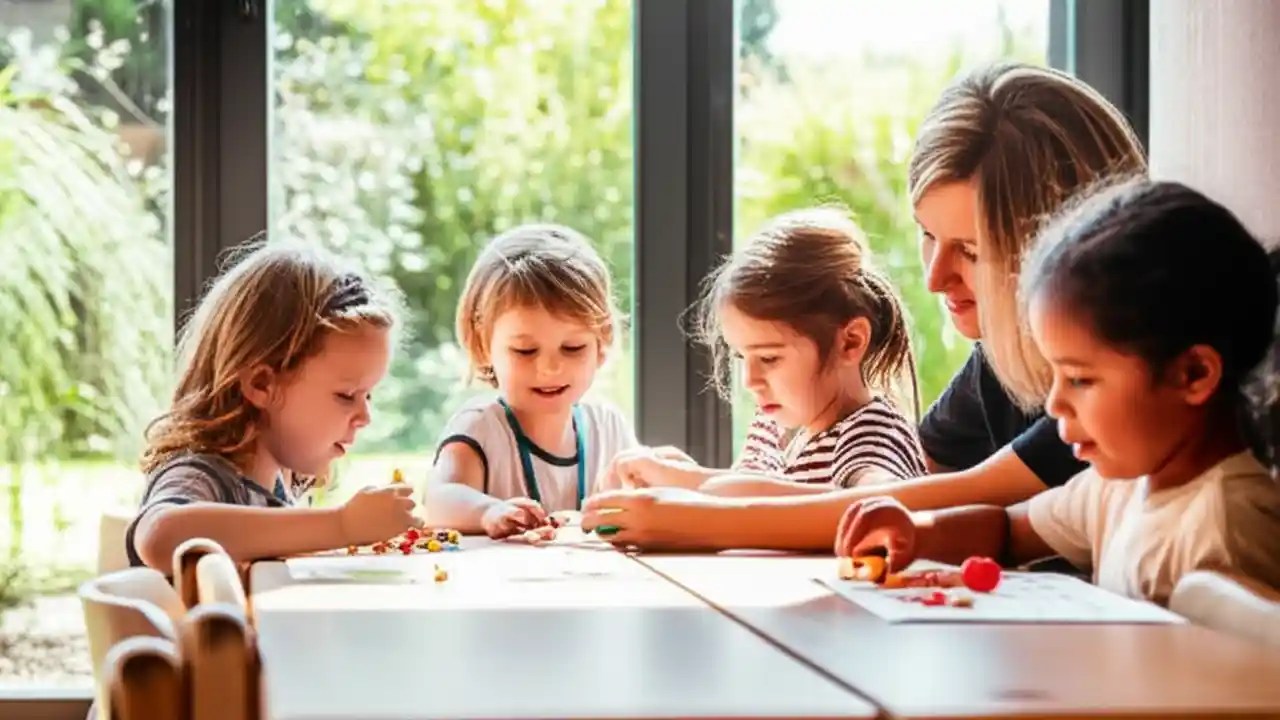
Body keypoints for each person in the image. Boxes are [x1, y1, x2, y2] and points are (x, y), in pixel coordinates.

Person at [583, 61, 1148, 551]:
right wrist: (697, 485)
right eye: (928, 236)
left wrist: (707, 519)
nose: (934, 278)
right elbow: (898, 492)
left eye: (972, 251)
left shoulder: (1117, 380)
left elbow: (948, 498)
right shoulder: (997, 361)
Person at [834, 179, 1280, 605]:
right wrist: (919, 532)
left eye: (1081, 379)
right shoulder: (1114, 488)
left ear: (1193, 375)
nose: (1055, 404)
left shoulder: (1231, 531)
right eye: (1056, 378)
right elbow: (1007, 530)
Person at [128, 240, 419, 569]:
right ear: (261, 384)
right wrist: (342, 525)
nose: (365, 416)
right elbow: (159, 536)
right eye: (346, 395)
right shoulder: (202, 476)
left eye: (369, 395)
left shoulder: (278, 485)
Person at [599, 208, 925, 497]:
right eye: (741, 357)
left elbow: (879, 501)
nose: (750, 381)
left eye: (769, 358)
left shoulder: (873, 432)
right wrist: (680, 482)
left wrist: (696, 481)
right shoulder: (772, 429)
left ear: (850, 342)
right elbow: (745, 498)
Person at [423, 224, 637, 538]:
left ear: (601, 343)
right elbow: (439, 500)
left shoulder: (609, 428)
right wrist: (488, 511)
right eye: (525, 351)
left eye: (573, 348)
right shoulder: (480, 428)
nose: (550, 367)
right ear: (483, 346)